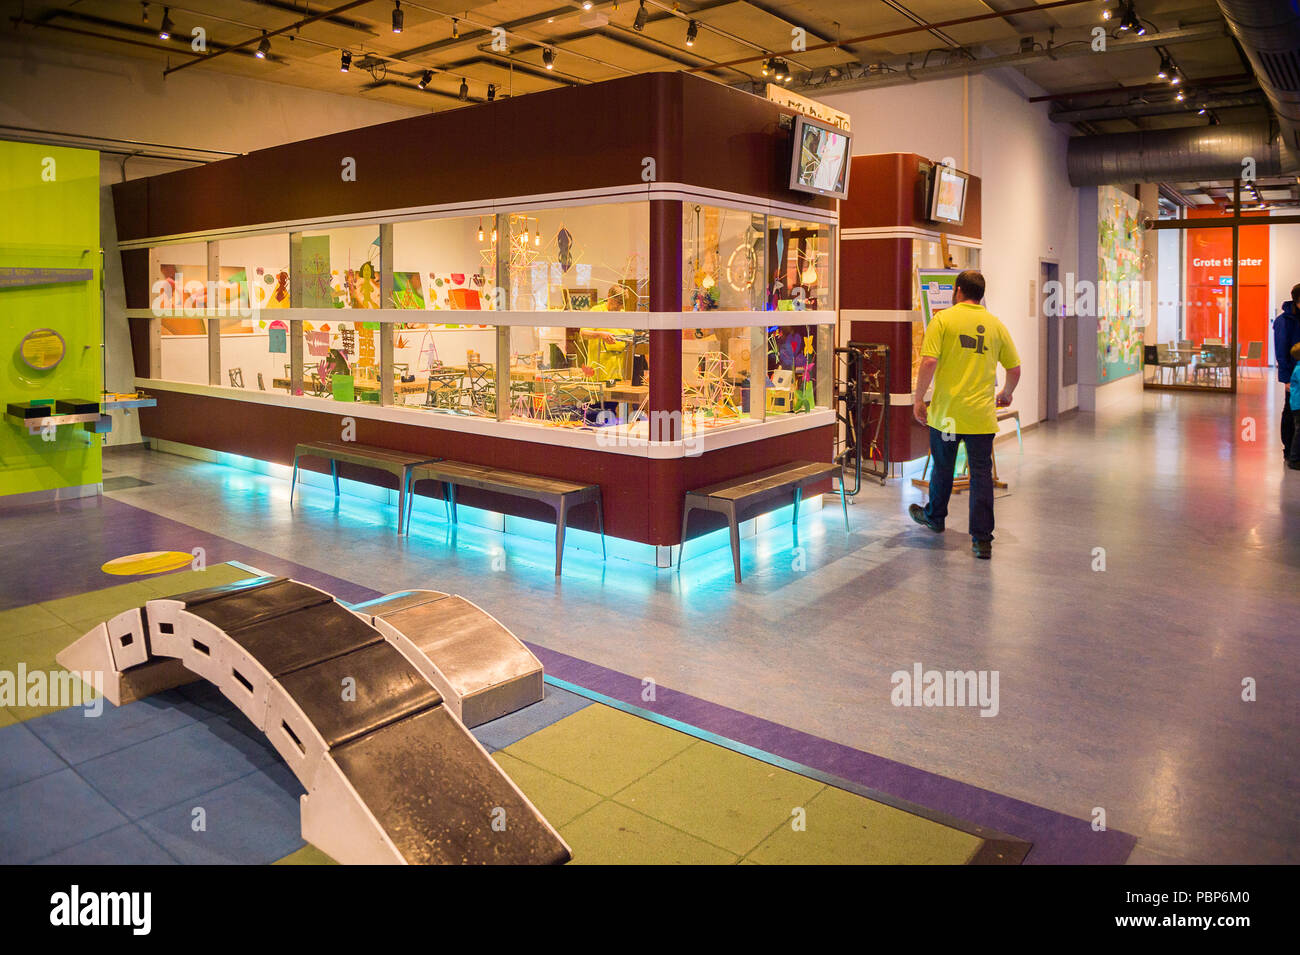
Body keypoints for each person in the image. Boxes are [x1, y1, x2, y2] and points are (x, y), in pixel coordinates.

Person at [909, 270, 1021, 559]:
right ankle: (982, 540)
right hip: (981, 417)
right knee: (981, 473)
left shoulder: (943, 320)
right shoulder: (995, 324)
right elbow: (1014, 368)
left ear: (957, 290)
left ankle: (935, 518)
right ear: (980, 294)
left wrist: (918, 398)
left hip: (947, 415)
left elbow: (930, 361)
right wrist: (1006, 393)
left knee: (943, 467)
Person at [1273, 285, 1300, 461]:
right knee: (1291, 411)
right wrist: (1286, 379)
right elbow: (1281, 352)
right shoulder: (1284, 321)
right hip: (1294, 375)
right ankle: (1289, 450)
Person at [1288, 342, 1300, 471]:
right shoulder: (1299, 370)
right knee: (1299, 432)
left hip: (1297, 405)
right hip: (1299, 406)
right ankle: (1294, 458)